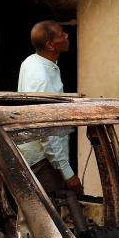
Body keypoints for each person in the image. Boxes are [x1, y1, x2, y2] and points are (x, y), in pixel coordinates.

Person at [16, 20, 83, 193]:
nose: (67, 36)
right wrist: (67, 172)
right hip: (43, 161)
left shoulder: (32, 62)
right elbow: (45, 129)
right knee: (46, 217)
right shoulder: (40, 75)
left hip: (41, 158)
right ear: (50, 45)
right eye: (61, 35)